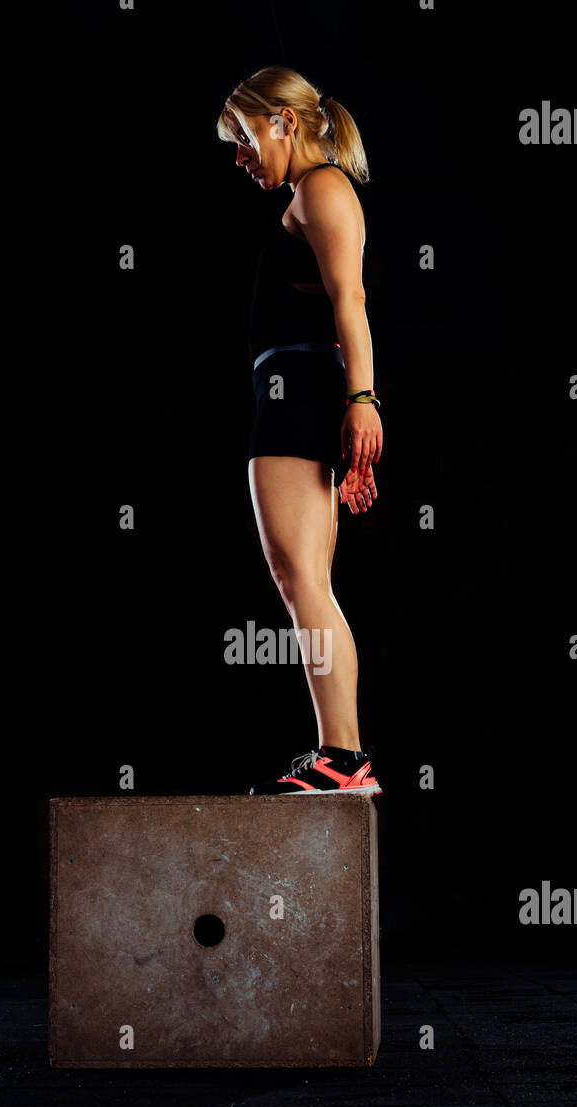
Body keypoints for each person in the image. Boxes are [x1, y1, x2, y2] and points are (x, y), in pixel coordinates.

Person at [217, 66, 383, 796]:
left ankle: (343, 758)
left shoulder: (320, 187)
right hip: (298, 396)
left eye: (245, 136)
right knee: (305, 583)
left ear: (282, 120)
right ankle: (342, 757)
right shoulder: (310, 192)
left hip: (297, 401)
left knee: (301, 583)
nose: (240, 156)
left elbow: (351, 300)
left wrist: (362, 399)